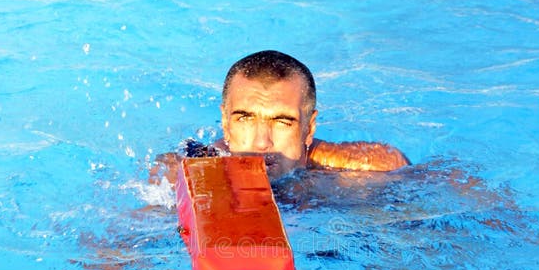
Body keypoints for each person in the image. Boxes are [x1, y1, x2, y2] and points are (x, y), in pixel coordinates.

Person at [150, 50, 410, 187]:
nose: (262, 142)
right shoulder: (188, 171)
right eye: (246, 119)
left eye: (282, 122)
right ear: (226, 123)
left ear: (309, 129)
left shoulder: (366, 168)